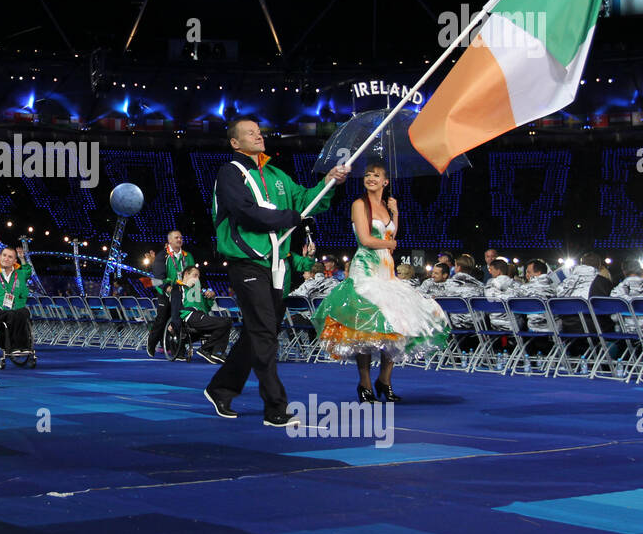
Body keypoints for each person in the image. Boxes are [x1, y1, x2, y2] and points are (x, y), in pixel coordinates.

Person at [202, 118, 349, 423]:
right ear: (235, 143)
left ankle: (221, 388)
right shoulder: (230, 173)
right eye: (249, 133)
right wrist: (289, 218)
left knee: (258, 332)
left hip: (276, 268)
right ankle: (276, 408)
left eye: (259, 131)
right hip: (247, 264)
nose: (258, 135)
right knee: (265, 332)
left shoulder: (277, 175)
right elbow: (245, 212)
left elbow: (307, 203)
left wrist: (328, 183)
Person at [312, 159, 448, 403]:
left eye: (375, 175)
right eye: (367, 175)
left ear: (385, 181)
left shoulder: (387, 206)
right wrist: (389, 243)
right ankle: (365, 384)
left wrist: (395, 213)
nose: (370, 178)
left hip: (387, 271)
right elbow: (365, 239)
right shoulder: (359, 205)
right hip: (366, 270)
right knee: (365, 328)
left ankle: (384, 380)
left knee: (397, 324)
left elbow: (390, 233)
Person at [145, 230, 195, 357]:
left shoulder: (188, 256)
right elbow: (158, 276)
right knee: (162, 319)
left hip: (182, 291)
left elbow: (194, 273)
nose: (179, 239)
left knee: (180, 318)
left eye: (181, 237)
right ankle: (151, 343)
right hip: (165, 291)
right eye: (176, 237)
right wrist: (167, 287)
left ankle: (178, 350)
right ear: (170, 241)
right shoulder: (163, 256)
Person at [171, 265, 230, 363]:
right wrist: (174, 324)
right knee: (226, 322)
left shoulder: (198, 290)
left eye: (198, 276)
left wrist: (210, 297)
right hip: (190, 315)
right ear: (186, 274)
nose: (197, 278)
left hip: (201, 316)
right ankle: (207, 349)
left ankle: (216, 352)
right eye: (195, 275)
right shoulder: (179, 288)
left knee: (226, 322)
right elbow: (175, 308)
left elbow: (207, 307)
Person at [0, 246, 33, 357]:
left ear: (14, 261)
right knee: (12, 315)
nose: (6, 259)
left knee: (24, 312)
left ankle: (24, 347)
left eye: (10, 257)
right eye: (4, 255)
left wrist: (22, 258)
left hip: (14, 308)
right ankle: (13, 347)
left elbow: (27, 270)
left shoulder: (19, 274)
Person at [610, 259, 643, 333]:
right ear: (641, 270)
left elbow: (614, 317)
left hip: (627, 328)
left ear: (624, 271)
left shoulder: (617, 290)